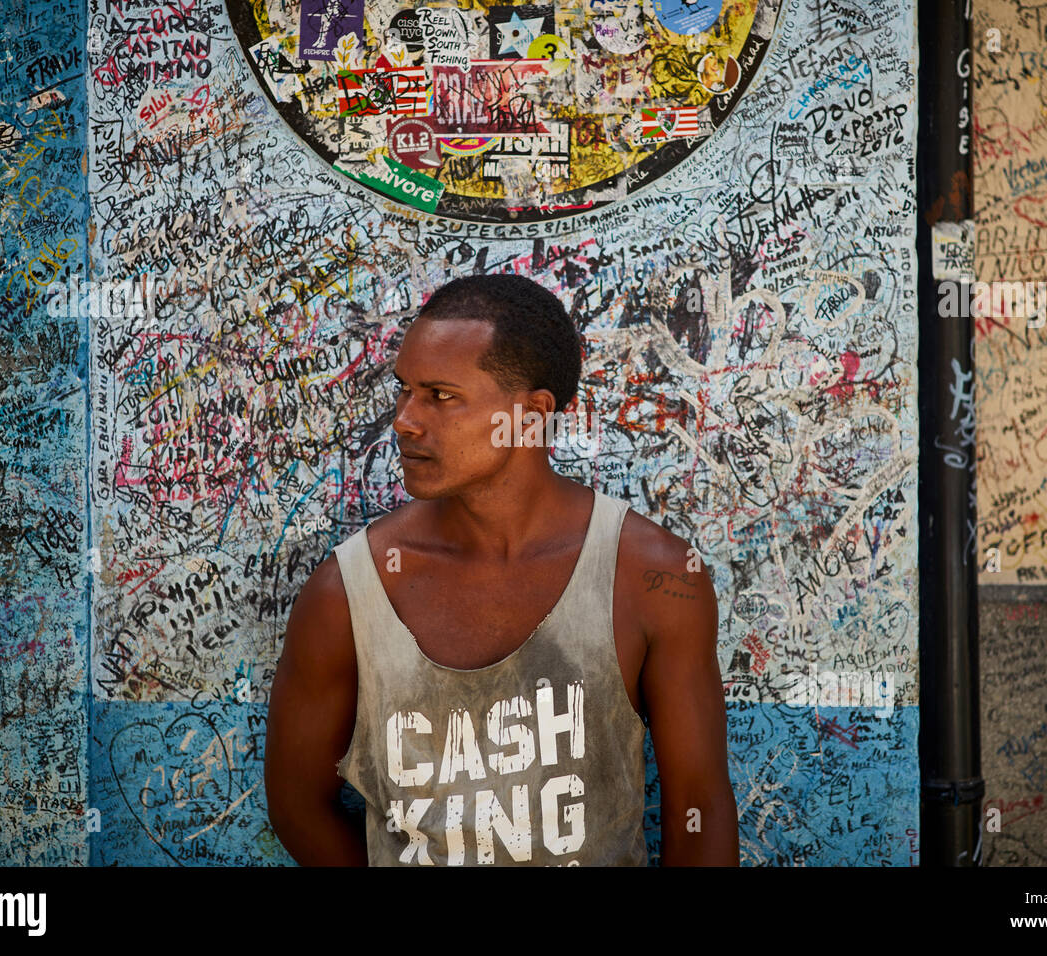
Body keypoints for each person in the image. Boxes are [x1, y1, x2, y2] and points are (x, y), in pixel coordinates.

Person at [265, 273, 737, 866]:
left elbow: (699, 807)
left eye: (441, 395)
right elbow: (296, 805)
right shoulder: (349, 592)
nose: (405, 420)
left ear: (531, 414)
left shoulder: (652, 579)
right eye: (404, 390)